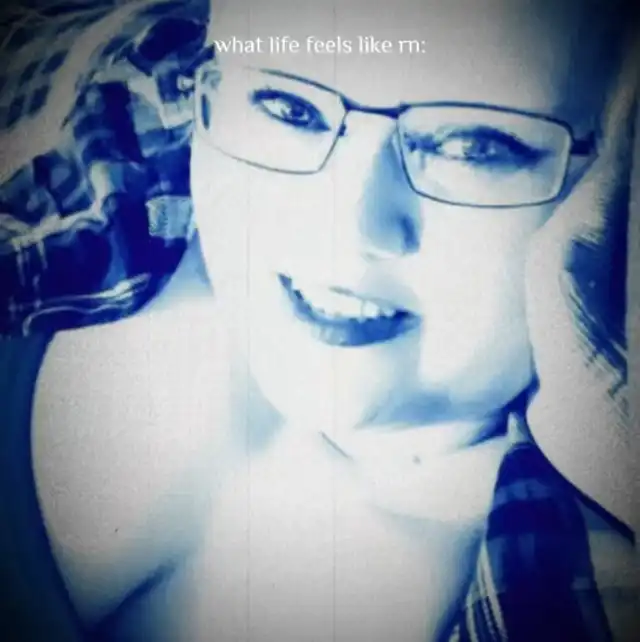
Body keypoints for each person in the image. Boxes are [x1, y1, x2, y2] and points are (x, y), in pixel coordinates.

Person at [1, 0, 639, 640]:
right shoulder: (83, 135)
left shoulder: (573, 602)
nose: (346, 221)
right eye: (288, 108)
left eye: (475, 148)